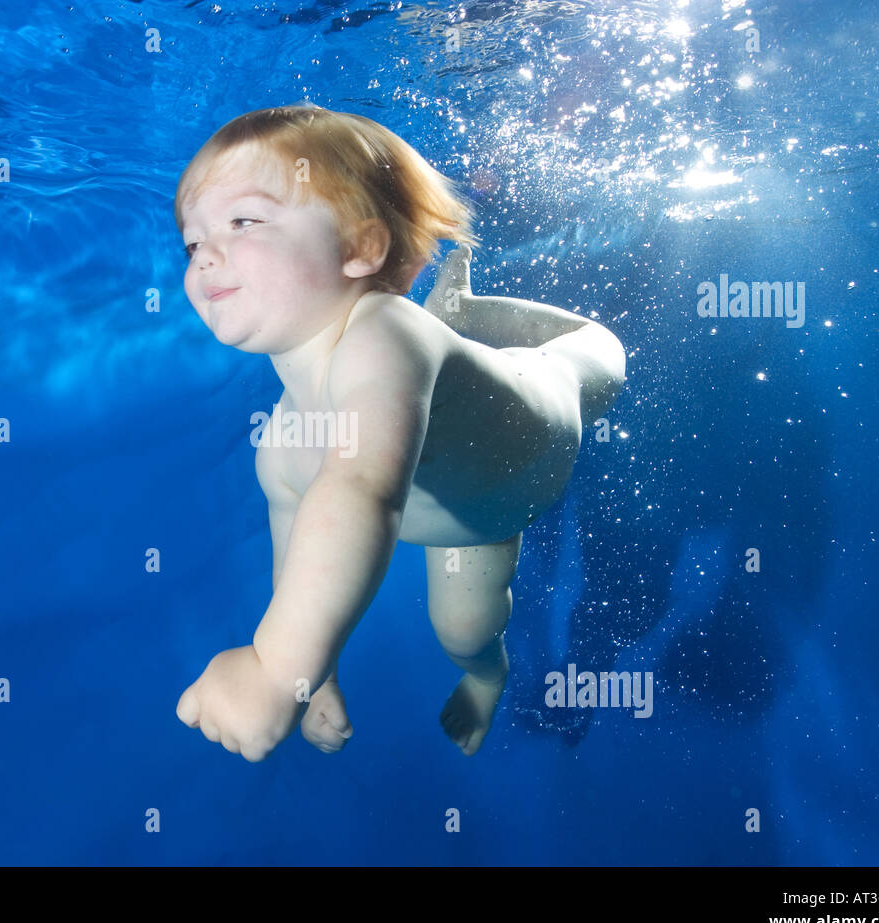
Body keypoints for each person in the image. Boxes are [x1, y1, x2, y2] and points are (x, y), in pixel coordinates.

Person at [173, 104, 625, 761]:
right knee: (467, 632)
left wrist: (276, 668)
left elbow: (360, 487)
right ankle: (488, 676)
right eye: (192, 241)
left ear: (359, 248)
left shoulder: (384, 330)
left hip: (554, 401)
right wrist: (312, 672)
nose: (205, 256)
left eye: (242, 221)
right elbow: (301, 555)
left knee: (592, 349)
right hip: (482, 519)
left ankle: (462, 313)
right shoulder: (281, 447)